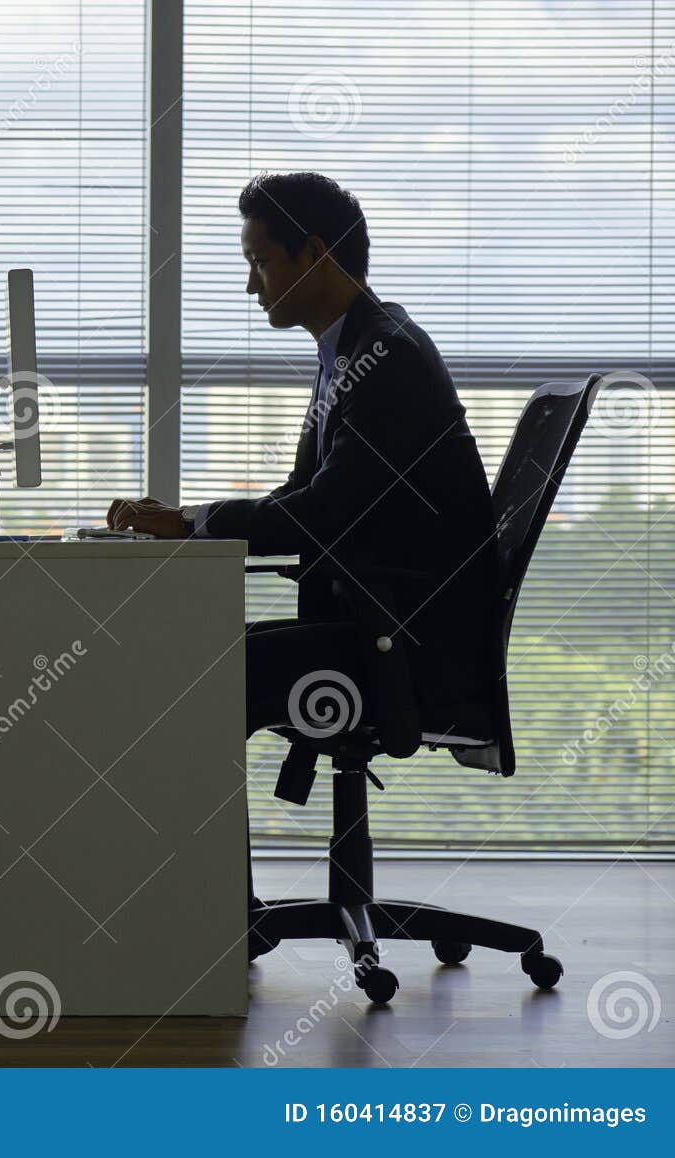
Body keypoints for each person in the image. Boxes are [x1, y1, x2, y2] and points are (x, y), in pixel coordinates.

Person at [108, 172, 499, 904]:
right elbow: (305, 499)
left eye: (260, 261)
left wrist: (195, 523)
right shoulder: (353, 352)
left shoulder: (387, 363)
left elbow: (321, 513)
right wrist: (190, 519)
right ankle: (211, 915)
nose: (251, 285)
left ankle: (201, 919)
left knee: (190, 680)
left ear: (314, 254)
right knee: (195, 660)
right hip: (380, 623)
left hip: (406, 647)